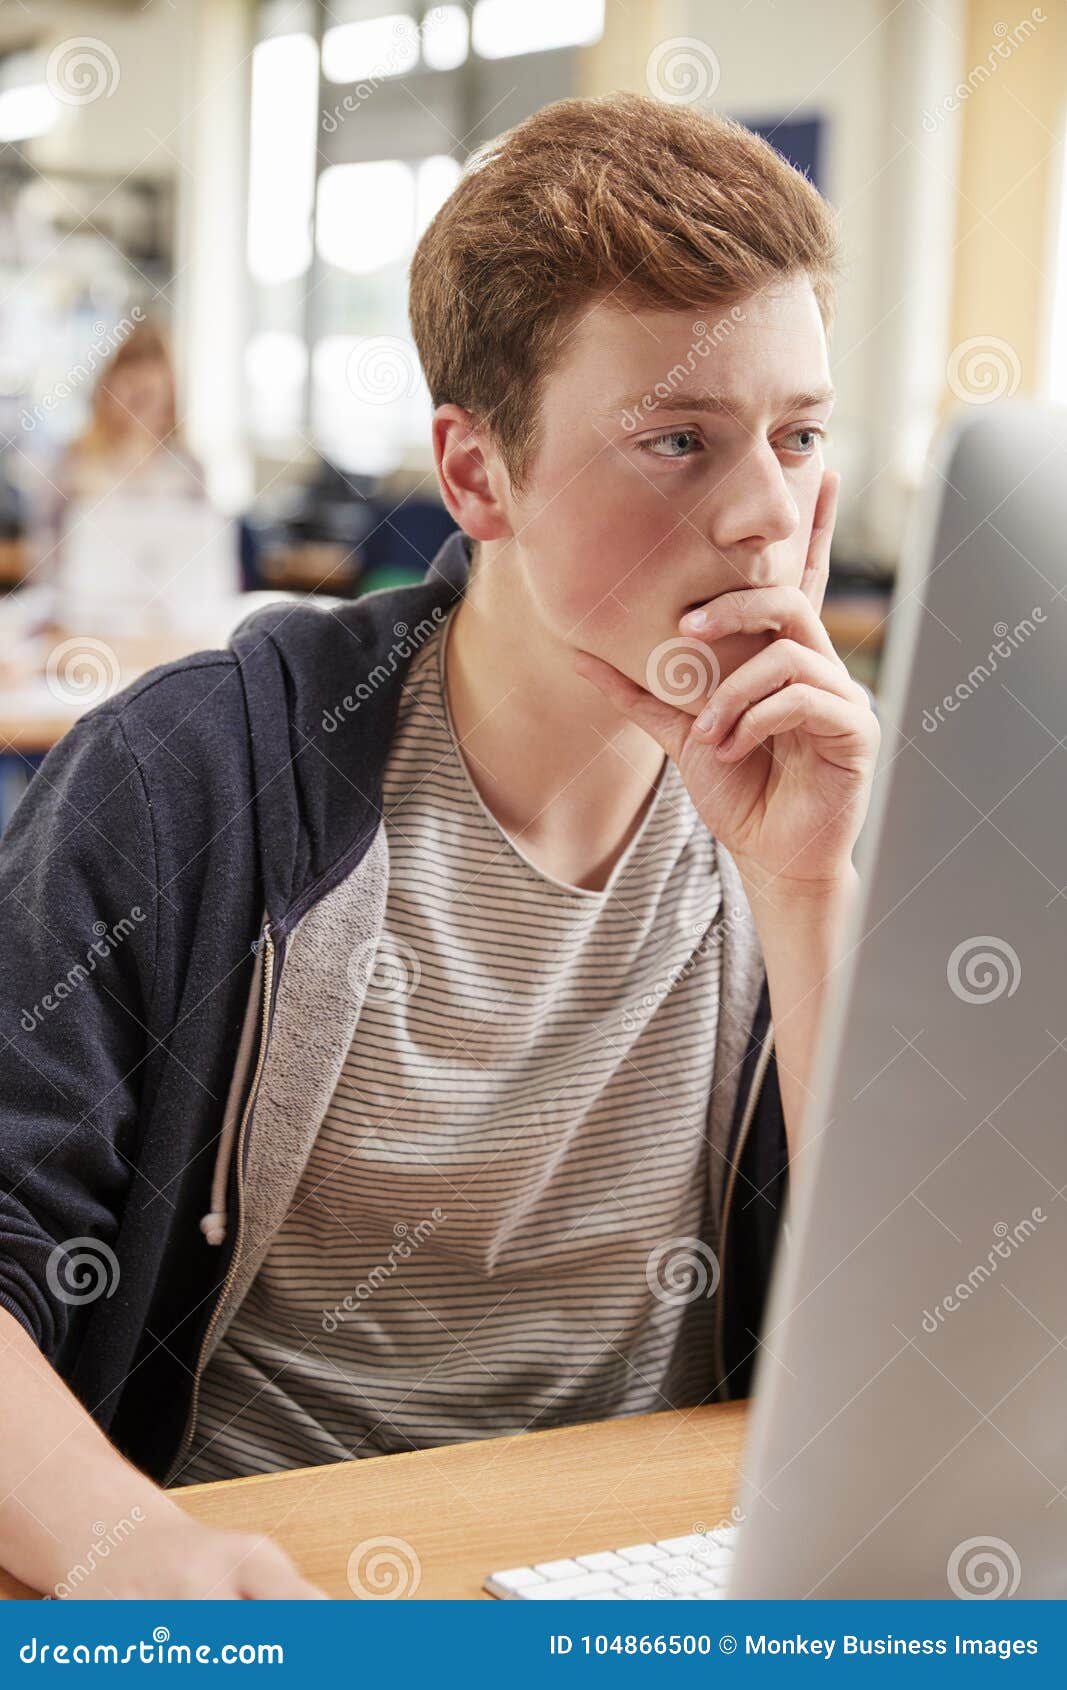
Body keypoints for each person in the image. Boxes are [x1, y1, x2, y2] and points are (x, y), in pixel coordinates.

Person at [0, 93, 878, 1599]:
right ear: (478, 478)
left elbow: (942, 1321)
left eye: (799, 436)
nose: (762, 514)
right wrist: (125, 1541)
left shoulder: (835, 805)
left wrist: (804, 894)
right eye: (678, 439)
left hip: (653, 1578)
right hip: (282, 1575)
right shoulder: (189, 776)